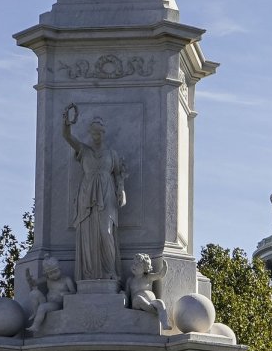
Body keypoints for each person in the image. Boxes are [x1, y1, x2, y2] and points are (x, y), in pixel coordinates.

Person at [62, 110, 126, 280]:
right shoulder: (83, 150)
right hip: (87, 193)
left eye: (99, 132)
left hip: (107, 193)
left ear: (103, 133)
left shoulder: (112, 154)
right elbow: (67, 137)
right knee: (88, 234)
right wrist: (66, 123)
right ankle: (89, 273)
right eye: (93, 132)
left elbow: (119, 173)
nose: (96, 135)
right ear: (90, 133)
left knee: (106, 232)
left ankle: (110, 271)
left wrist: (121, 190)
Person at [25, 258, 76, 333]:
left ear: (60, 269)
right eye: (51, 274)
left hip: (57, 304)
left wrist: (66, 293)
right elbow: (34, 283)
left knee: (42, 307)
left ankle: (36, 325)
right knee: (34, 293)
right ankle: (35, 312)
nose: (54, 275)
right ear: (47, 274)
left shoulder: (66, 279)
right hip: (46, 300)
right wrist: (28, 278)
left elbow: (74, 292)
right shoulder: (47, 279)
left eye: (56, 272)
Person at [124, 253, 170, 332]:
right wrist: (123, 295)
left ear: (144, 268)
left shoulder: (148, 277)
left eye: (137, 265)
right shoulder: (130, 280)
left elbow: (159, 275)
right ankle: (155, 312)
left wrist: (164, 268)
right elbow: (127, 294)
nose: (133, 266)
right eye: (133, 263)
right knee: (139, 299)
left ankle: (165, 323)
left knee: (160, 303)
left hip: (151, 302)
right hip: (137, 303)